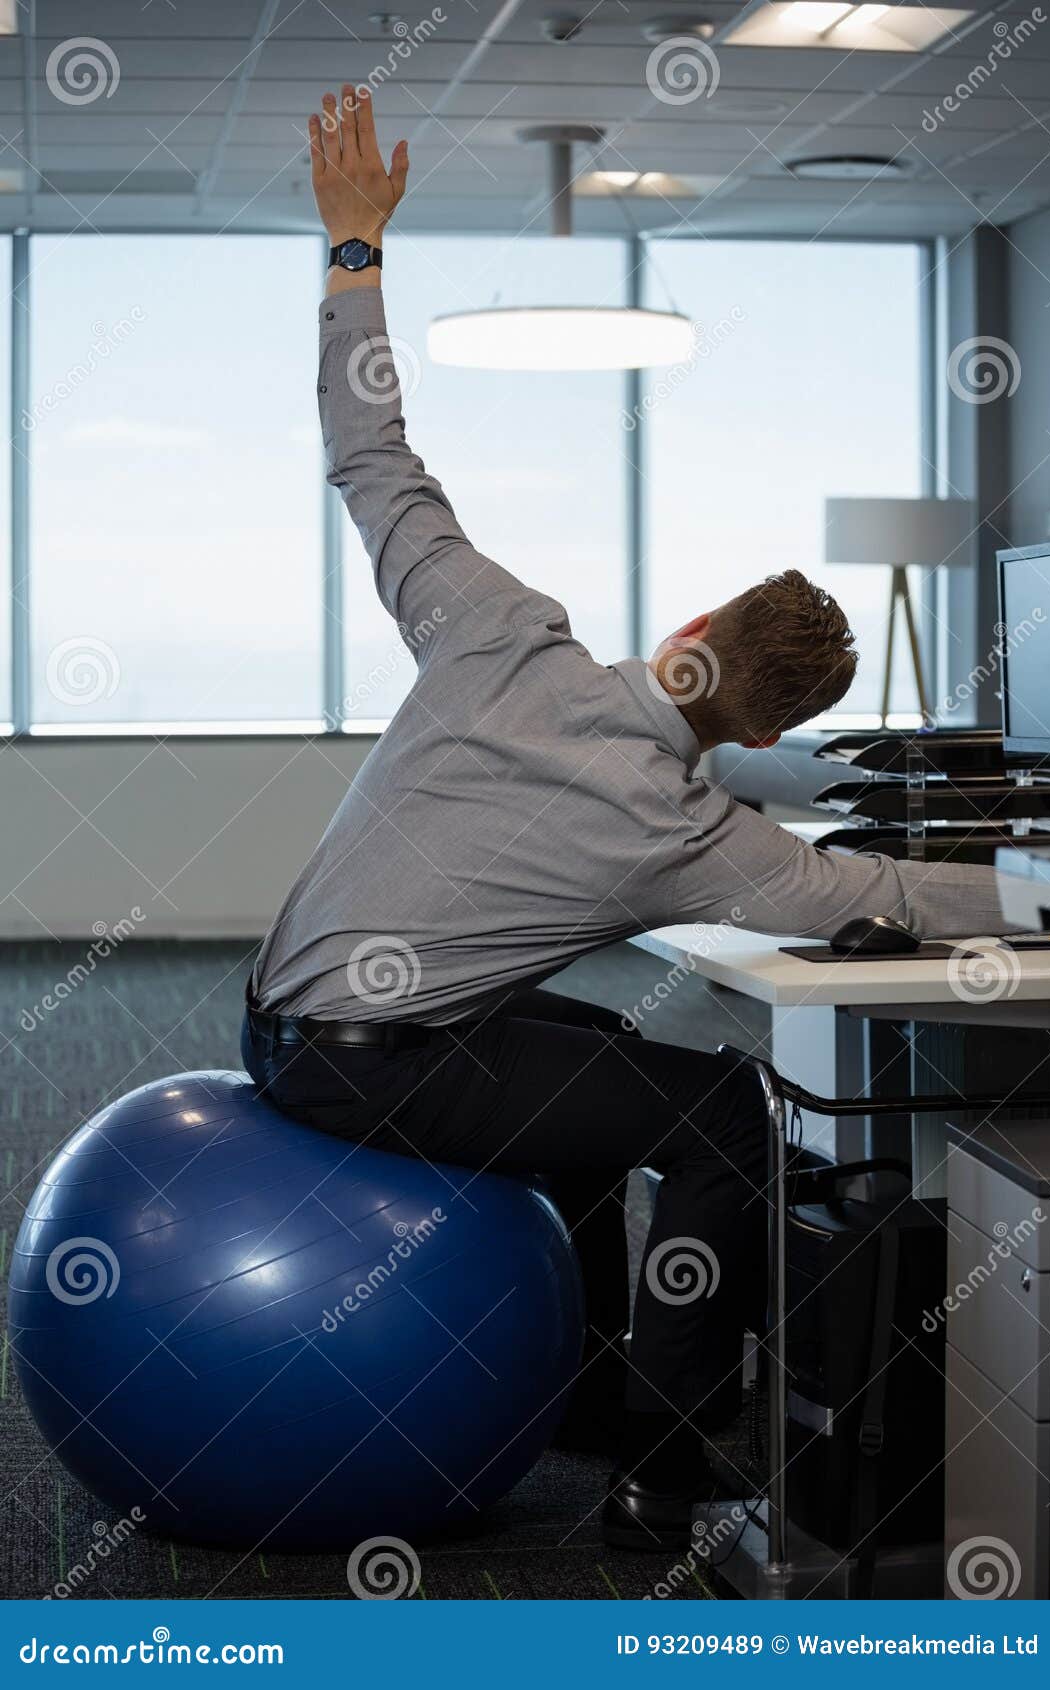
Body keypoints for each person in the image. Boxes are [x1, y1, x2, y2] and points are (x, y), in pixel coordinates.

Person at [242, 86, 1008, 1551]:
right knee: (720, 1109)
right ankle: (657, 1470)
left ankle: (596, 1386)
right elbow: (881, 889)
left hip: (280, 1020)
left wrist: (355, 248)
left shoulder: (494, 634)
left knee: (605, 1053)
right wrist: (1034, 894)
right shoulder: (693, 833)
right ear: (770, 727)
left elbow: (373, 458)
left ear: (694, 616)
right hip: (364, 1069)